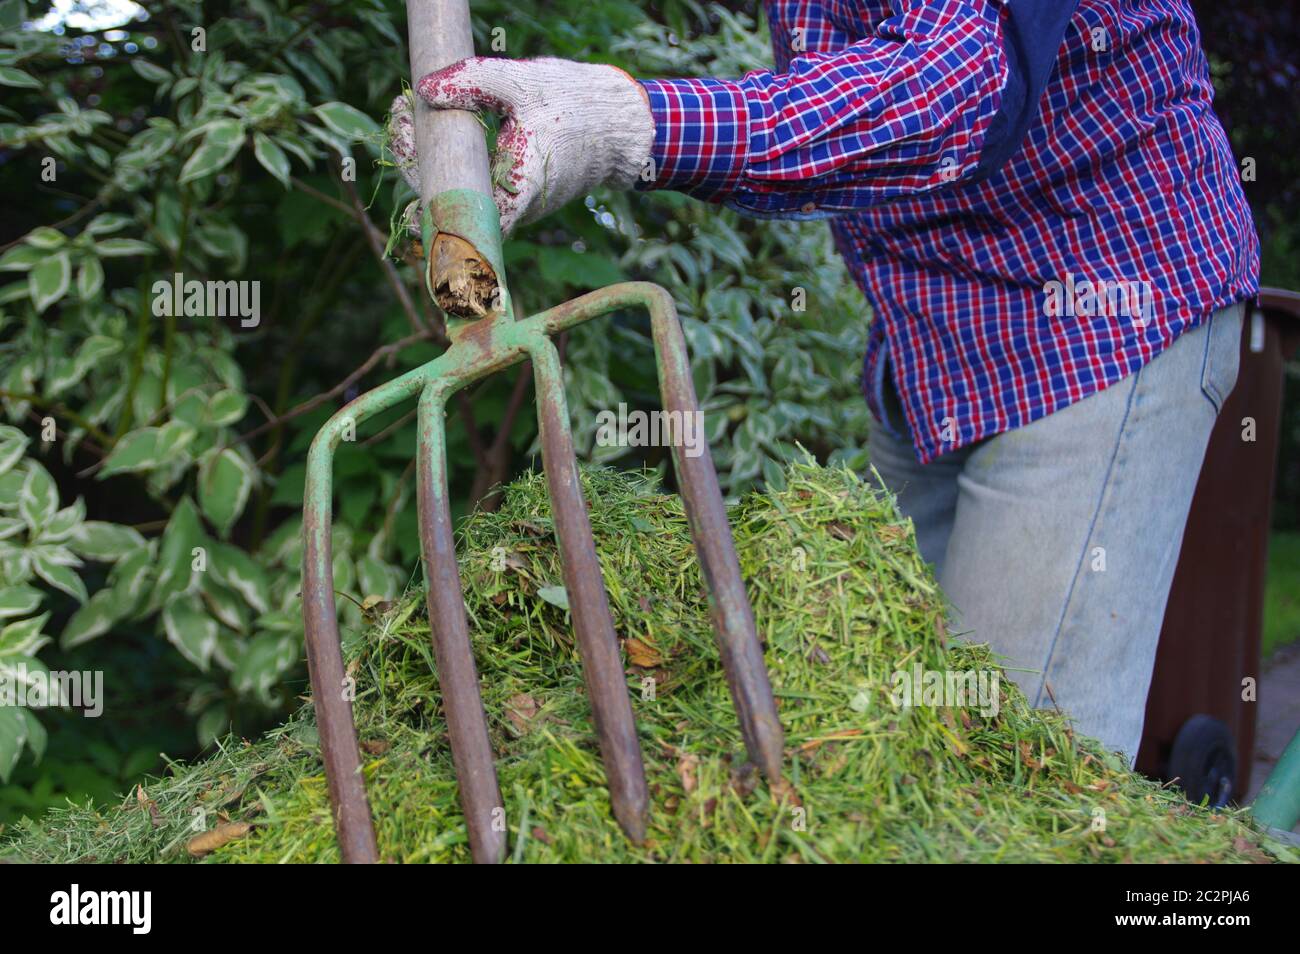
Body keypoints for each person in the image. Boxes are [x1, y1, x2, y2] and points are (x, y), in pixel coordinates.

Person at [389, 0, 1259, 763]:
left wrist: (626, 123)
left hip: (1101, 315)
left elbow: (942, 89)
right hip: (933, 341)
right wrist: (481, 125)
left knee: (1016, 768)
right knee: (884, 734)